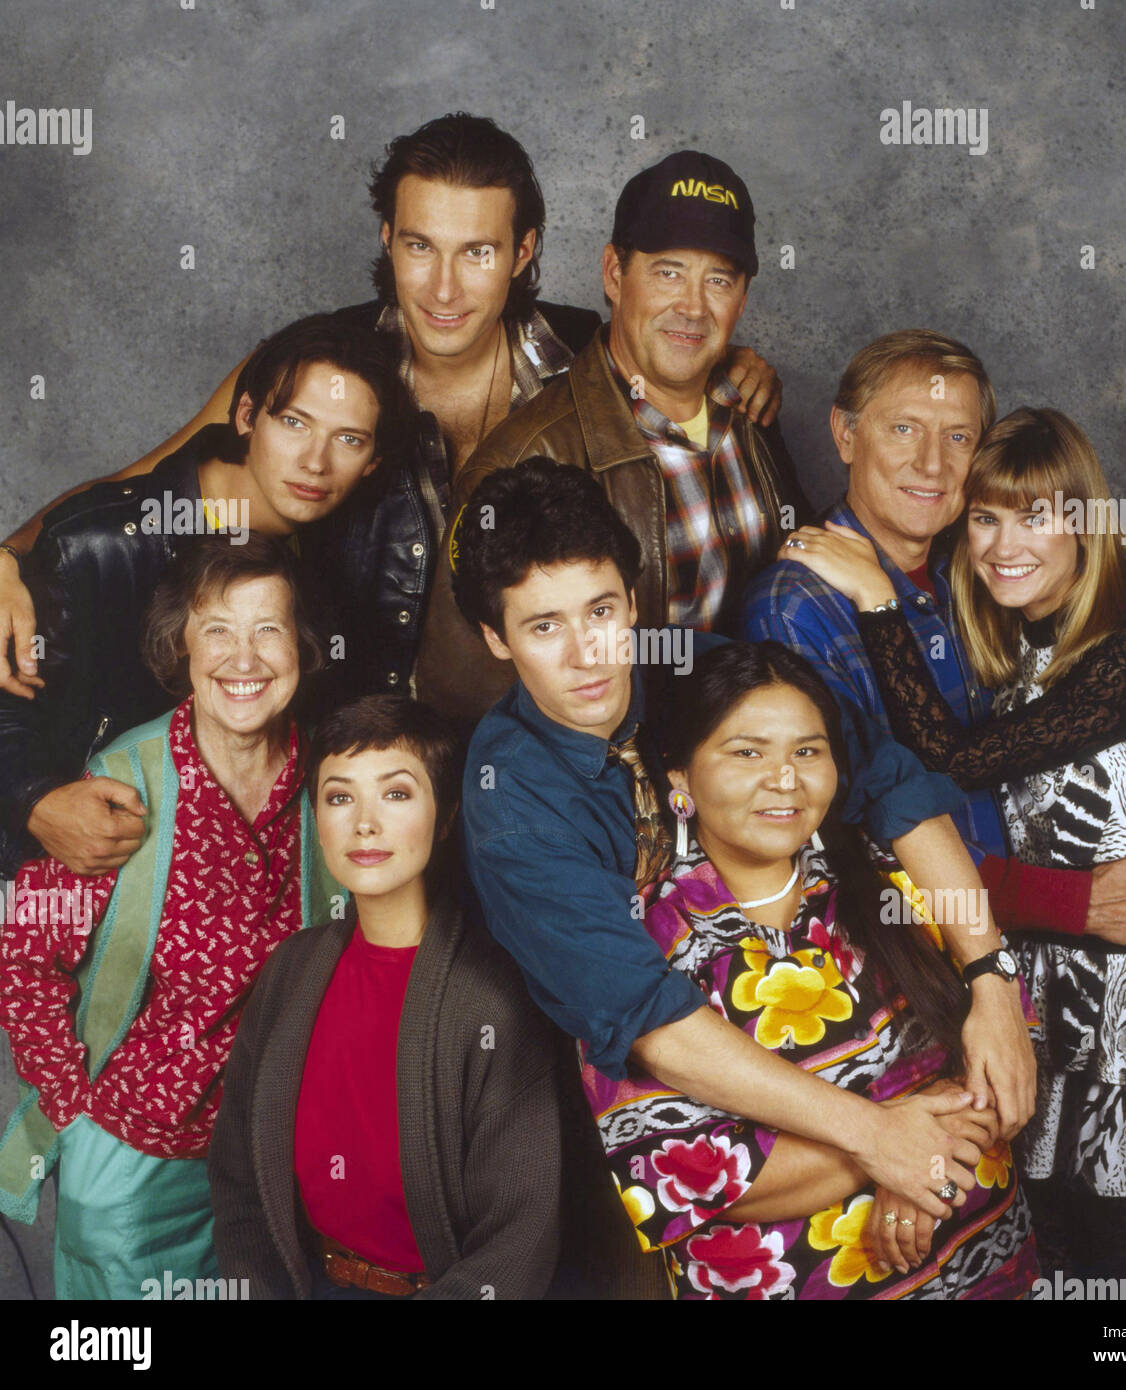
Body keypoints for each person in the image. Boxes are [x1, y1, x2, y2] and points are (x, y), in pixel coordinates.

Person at [456, 458, 1035, 1302]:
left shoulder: (693, 670)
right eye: (544, 628)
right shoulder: (514, 806)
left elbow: (887, 778)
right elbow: (650, 1025)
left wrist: (991, 979)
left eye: (604, 611)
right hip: (696, 1145)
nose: (590, 656)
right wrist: (882, 1143)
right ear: (496, 641)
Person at [0, 114, 782, 697]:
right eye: (419, 246)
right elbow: (147, 494)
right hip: (356, 739)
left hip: (536, 729)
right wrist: (10, 557)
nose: (443, 289)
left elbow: (672, 341)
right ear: (387, 241)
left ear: (524, 252)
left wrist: (729, 362)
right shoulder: (313, 371)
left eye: (476, 252)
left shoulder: (588, 360)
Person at [787, 405, 1126, 1297]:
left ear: (1086, 521)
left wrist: (879, 601)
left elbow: (953, 762)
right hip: (1034, 991)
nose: (1005, 543)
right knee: (1043, 1274)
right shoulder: (1006, 637)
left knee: (1121, 1292)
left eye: (1036, 516)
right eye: (987, 517)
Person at [742, 330, 1126, 1053]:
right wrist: (1080, 903)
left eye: (958, 436)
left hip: (1060, 980)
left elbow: (1041, 749)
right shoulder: (797, 606)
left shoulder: (975, 580)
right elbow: (852, 842)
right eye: (904, 428)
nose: (932, 463)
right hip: (911, 983)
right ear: (845, 434)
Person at [580, 641, 1039, 1299]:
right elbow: (684, 1182)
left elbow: (1011, 1045)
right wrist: (893, 1156)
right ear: (678, 780)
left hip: (991, 1270)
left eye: (807, 750)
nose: (785, 778)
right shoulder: (639, 949)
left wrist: (923, 1154)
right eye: (746, 752)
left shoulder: (894, 871)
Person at [0, 535, 343, 1298]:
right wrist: (75, 1114)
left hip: (271, 1166)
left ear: (303, 648)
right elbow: (27, 958)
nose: (243, 657)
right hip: (131, 1165)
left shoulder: (331, 784)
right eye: (217, 629)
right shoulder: (122, 779)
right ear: (180, 645)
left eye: (268, 630)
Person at [0, 311, 423, 879]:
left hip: (202, 902)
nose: (316, 462)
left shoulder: (315, 572)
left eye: (347, 439)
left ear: (371, 463)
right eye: (295, 422)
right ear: (248, 416)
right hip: (51, 885)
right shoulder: (106, 543)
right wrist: (37, 801)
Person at [420, 148, 811, 719]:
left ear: (742, 297)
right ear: (614, 273)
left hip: (753, 756)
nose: (693, 307)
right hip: (623, 776)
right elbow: (463, 691)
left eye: (719, 280)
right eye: (668, 271)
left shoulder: (750, 413)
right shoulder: (523, 463)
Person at [209, 695, 562, 1299]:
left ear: (445, 816)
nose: (363, 823)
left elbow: (521, 1234)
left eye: (397, 794)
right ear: (315, 816)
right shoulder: (291, 971)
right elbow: (240, 1177)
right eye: (339, 796)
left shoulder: (493, 996)